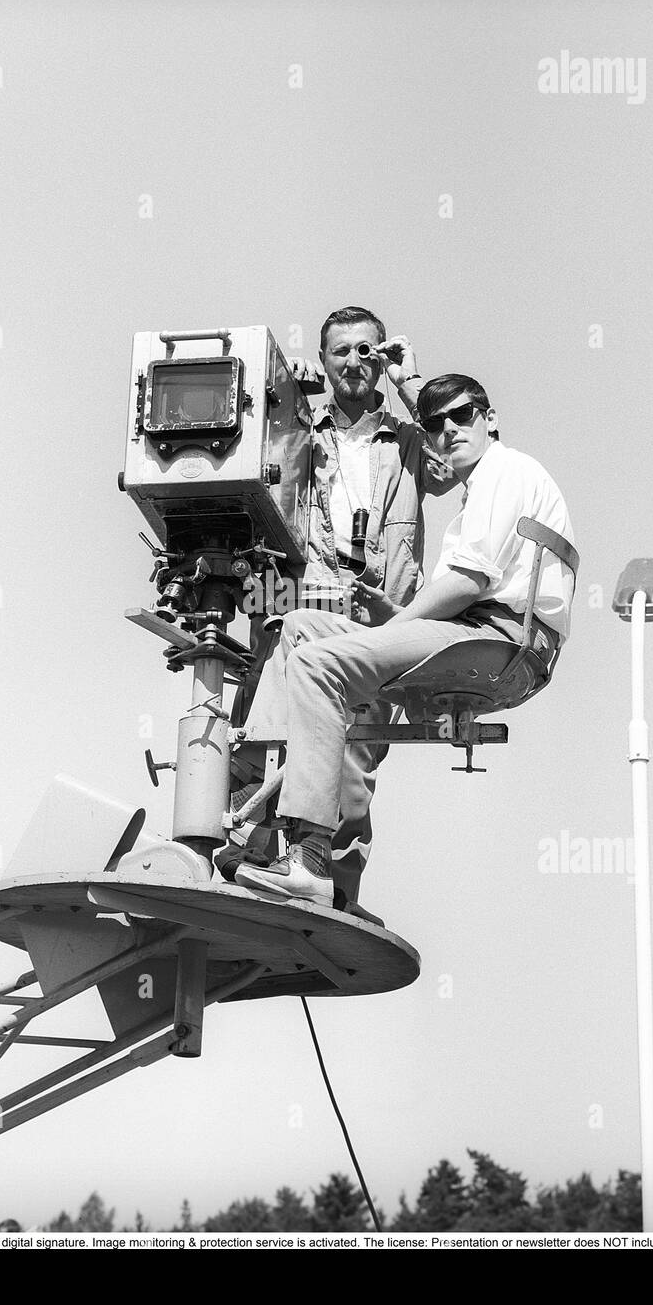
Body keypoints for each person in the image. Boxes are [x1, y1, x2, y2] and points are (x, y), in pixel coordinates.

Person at [235, 373, 575, 909]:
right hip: (473, 631)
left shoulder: (504, 471)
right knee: (300, 626)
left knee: (319, 666)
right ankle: (250, 804)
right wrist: (396, 618)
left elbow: (469, 582)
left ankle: (308, 858)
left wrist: (394, 630)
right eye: (435, 425)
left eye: (463, 416)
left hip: (497, 641)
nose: (448, 431)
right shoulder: (488, 482)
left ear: (490, 419)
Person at [234, 306, 454, 919]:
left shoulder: (409, 440)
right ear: (325, 359)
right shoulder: (306, 429)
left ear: (382, 359)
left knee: (355, 756)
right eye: (340, 352)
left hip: (382, 617)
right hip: (310, 604)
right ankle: (255, 841)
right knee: (280, 731)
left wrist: (413, 384)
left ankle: (339, 890)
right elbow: (260, 457)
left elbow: (451, 465)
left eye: (367, 351)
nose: (353, 363)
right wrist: (284, 392)